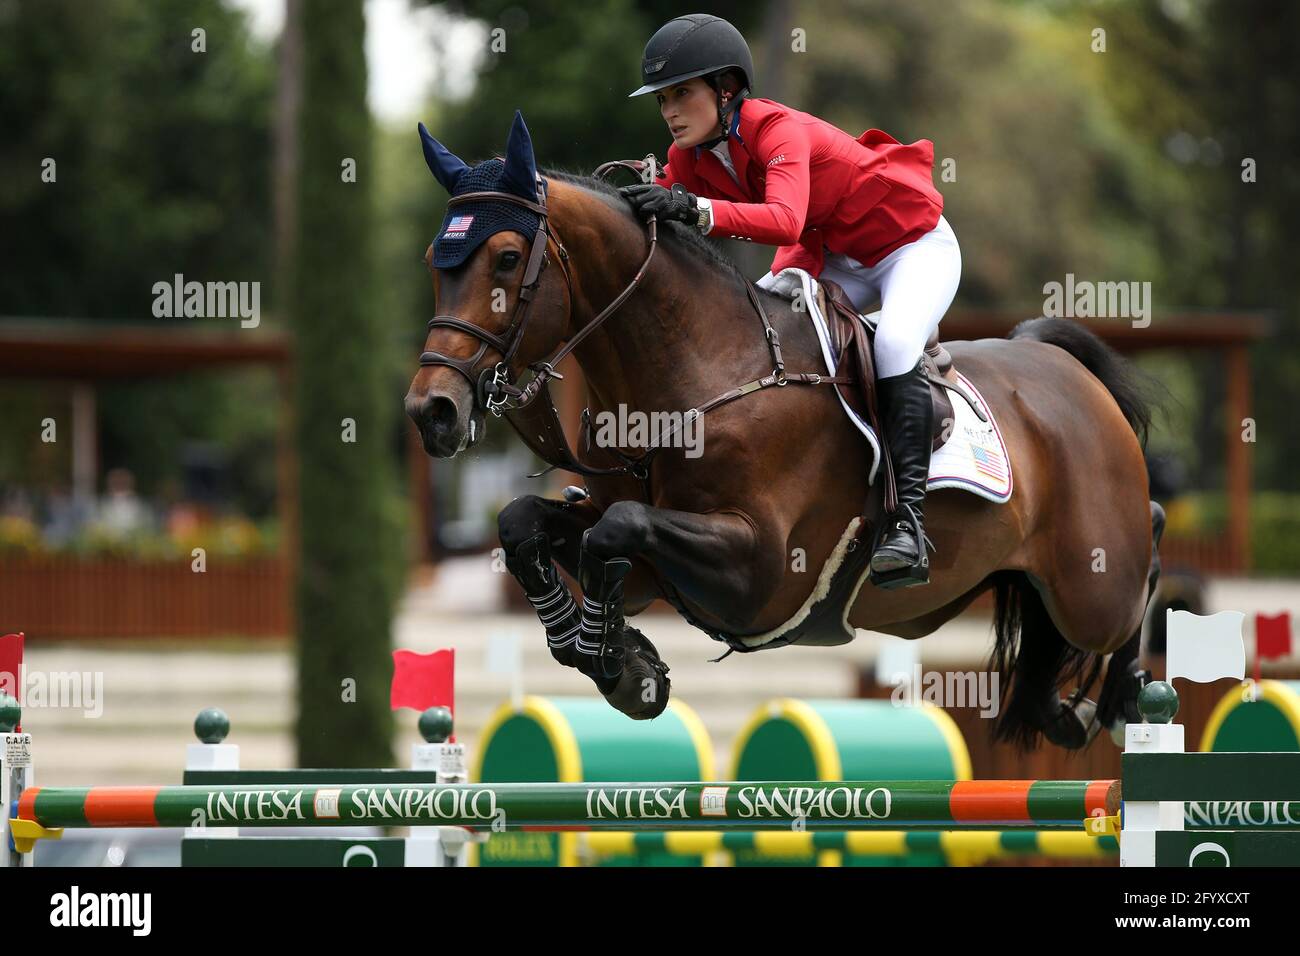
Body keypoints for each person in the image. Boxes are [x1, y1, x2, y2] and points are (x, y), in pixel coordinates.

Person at [619, 14, 960, 587]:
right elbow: (672, 220)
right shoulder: (688, 158)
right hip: (832, 257)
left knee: (897, 341)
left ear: (726, 91)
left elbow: (783, 220)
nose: (669, 111)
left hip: (910, 247)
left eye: (682, 93)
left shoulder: (776, 129)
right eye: (662, 100)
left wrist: (698, 210)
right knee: (766, 323)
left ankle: (908, 524)